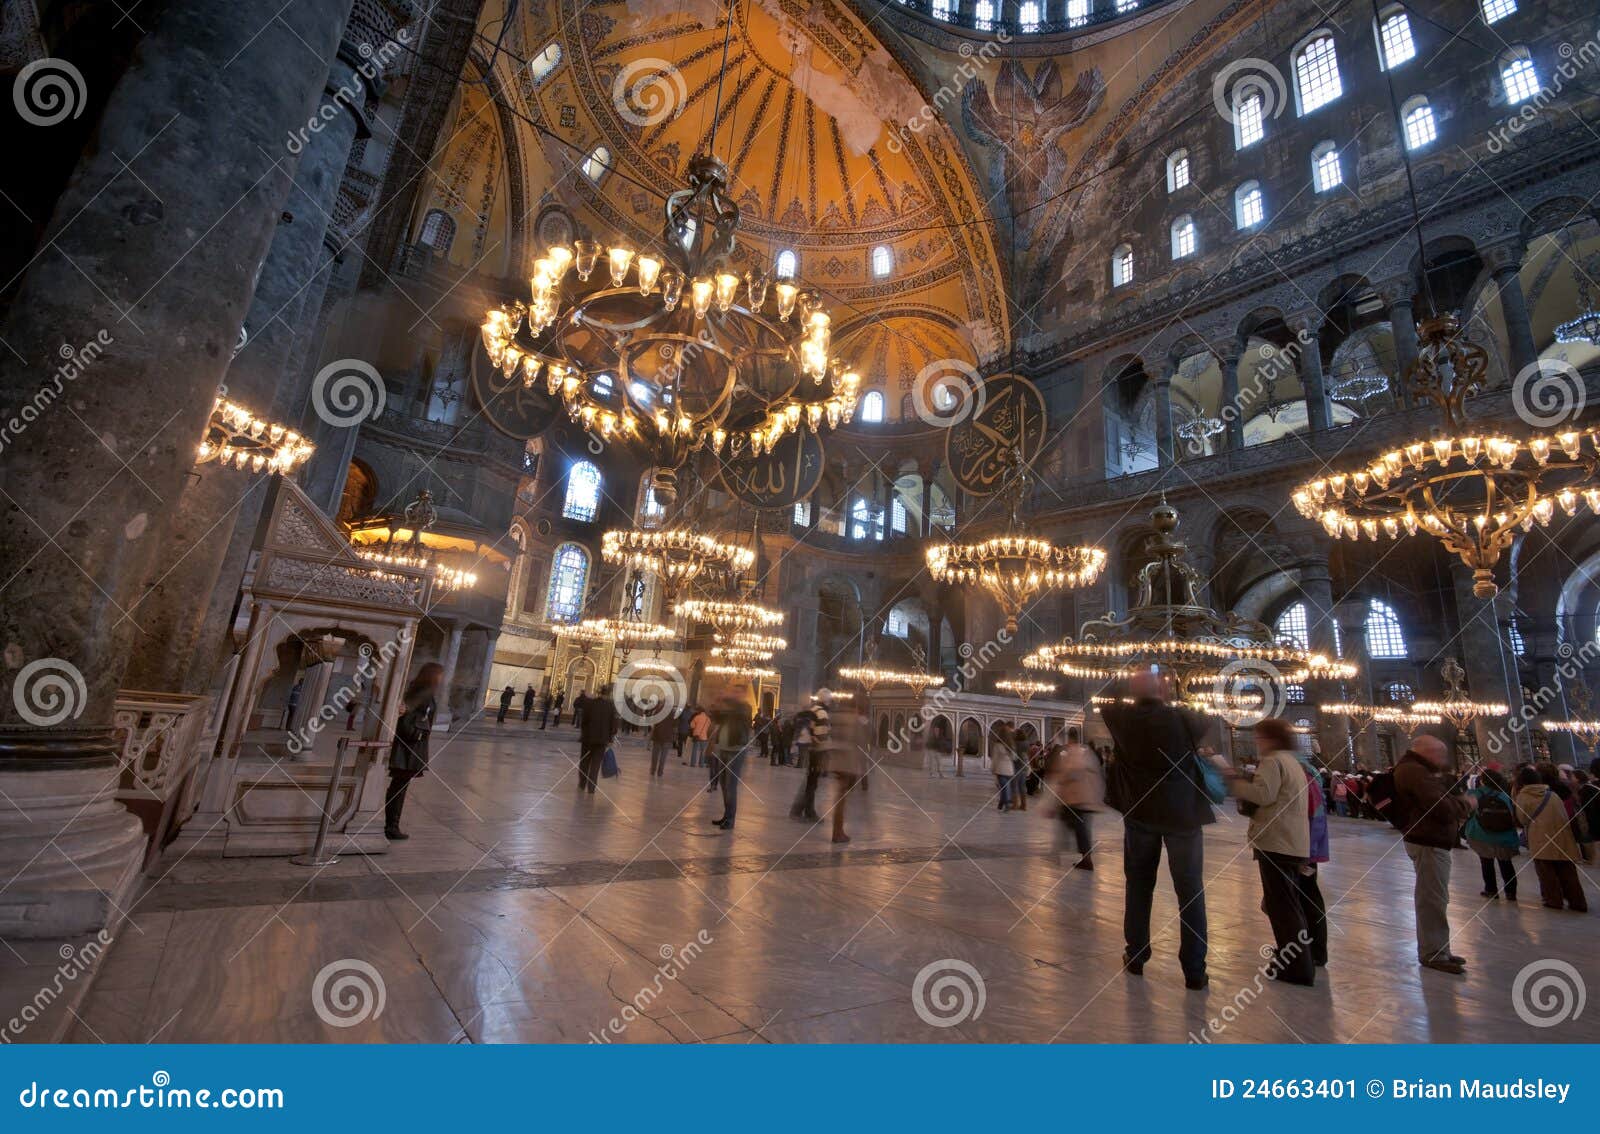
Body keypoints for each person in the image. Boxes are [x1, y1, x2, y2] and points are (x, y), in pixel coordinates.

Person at [1100, 670, 1215, 990]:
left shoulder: (1122, 718)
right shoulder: (1184, 720)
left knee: (1138, 885)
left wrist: (1121, 678)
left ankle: (1136, 955)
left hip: (1141, 814)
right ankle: (1194, 970)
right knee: (1190, 892)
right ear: (1163, 692)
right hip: (1183, 817)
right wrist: (1174, 689)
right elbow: (1206, 717)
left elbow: (1105, 700)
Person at [1228, 717, 1314, 987]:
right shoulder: (1292, 761)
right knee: (1289, 905)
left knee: (1282, 909)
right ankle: (1299, 960)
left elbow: (1262, 796)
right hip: (1293, 842)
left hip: (1276, 843)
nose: (1257, 742)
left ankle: (1296, 968)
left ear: (1271, 739)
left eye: (1259, 737)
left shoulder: (1272, 761)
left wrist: (1234, 782)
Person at [1392, 734, 1469, 974]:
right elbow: (1441, 808)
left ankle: (1439, 948)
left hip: (1430, 840)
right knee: (1431, 898)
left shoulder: (1417, 770)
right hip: (1427, 841)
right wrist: (1466, 805)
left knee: (1436, 896)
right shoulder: (1414, 772)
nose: (1442, 759)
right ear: (1425, 751)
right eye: (1439, 753)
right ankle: (1433, 953)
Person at [1515, 763, 1588, 911]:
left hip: (1540, 836)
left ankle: (1554, 900)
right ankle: (1577, 902)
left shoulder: (1524, 796)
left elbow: (1522, 819)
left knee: (1546, 871)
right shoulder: (1552, 793)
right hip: (1562, 835)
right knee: (1568, 871)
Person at [386, 663, 442, 840]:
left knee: (399, 785)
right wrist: (404, 712)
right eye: (440, 675)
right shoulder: (423, 691)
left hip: (411, 744)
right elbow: (406, 710)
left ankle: (392, 825)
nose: (442, 678)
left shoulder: (422, 690)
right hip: (409, 745)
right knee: (399, 786)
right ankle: (391, 826)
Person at [1463, 766, 1519, 901]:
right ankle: (1511, 893)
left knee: (1486, 863)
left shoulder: (1475, 793)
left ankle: (1491, 890)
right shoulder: (1504, 795)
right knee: (1506, 864)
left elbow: (1466, 810)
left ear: (1482, 781)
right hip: (1504, 834)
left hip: (1482, 833)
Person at [1053, 727, 1103, 870]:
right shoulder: (1087, 753)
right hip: (1084, 797)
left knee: (1079, 828)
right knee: (1080, 828)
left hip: (1077, 798)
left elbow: (1073, 772)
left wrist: (1062, 781)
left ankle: (1085, 859)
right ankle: (1084, 857)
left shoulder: (1073, 752)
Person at [710, 694, 754, 830]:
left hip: (736, 750)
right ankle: (726, 815)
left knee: (731, 786)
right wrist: (716, 706)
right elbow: (716, 718)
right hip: (722, 749)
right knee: (723, 784)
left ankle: (730, 819)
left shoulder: (745, 708)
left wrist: (729, 700)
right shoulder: (728, 711)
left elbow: (741, 714)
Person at [828, 697, 867, 843]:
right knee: (841, 800)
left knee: (839, 797)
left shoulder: (836, 717)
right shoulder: (854, 720)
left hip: (836, 761)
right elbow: (860, 742)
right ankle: (838, 833)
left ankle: (838, 831)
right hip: (847, 763)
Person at [789, 691, 831, 821]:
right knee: (811, 783)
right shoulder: (822, 712)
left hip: (810, 749)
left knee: (810, 782)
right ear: (827, 700)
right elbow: (821, 734)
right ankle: (805, 811)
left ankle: (803, 810)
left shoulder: (813, 709)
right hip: (817, 751)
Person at [577, 684, 619, 793]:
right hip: (601, 740)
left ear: (599, 693)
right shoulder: (610, 707)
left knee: (585, 761)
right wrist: (610, 738)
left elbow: (584, 721)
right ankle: (591, 787)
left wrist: (584, 732)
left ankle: (582, 783)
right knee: (595, 764)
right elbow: (614, 726)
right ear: (608, 694)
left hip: (587, 739)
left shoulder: (590, 704)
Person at [990, 723, 1016, 812]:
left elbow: (995, 758)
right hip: (1009, 769)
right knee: (1005, 786)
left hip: (1001, 769)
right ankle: (1002, 803)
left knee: (1004, 787)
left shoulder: (998, 745)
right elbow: (1015, 757)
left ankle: (1007, 803)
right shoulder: (1011, 745)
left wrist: (992, 769)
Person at [687, 704, 712, 770]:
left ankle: (693, 763)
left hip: (697, 736)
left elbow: (692, 726)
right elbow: (709, 728)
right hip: (704, 737)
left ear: (699, 711)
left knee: (694, 750)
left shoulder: (697, 717)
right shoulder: (708, 719)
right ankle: (701, 764)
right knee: (703, 751)